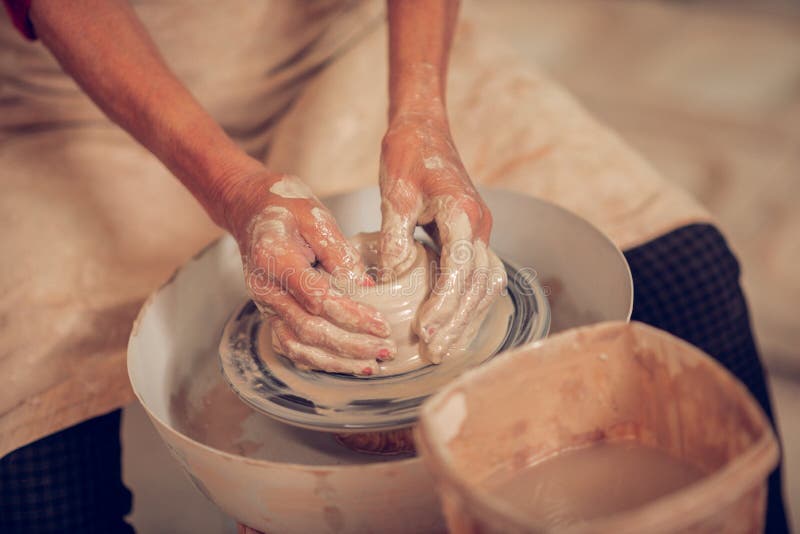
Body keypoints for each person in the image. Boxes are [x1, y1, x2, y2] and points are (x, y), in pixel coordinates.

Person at [0, 1, 789, 533]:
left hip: (344, 52)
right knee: (37, 493)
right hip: (75, 110)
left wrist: (420, 110)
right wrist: (236, 188)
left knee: (693, 279)